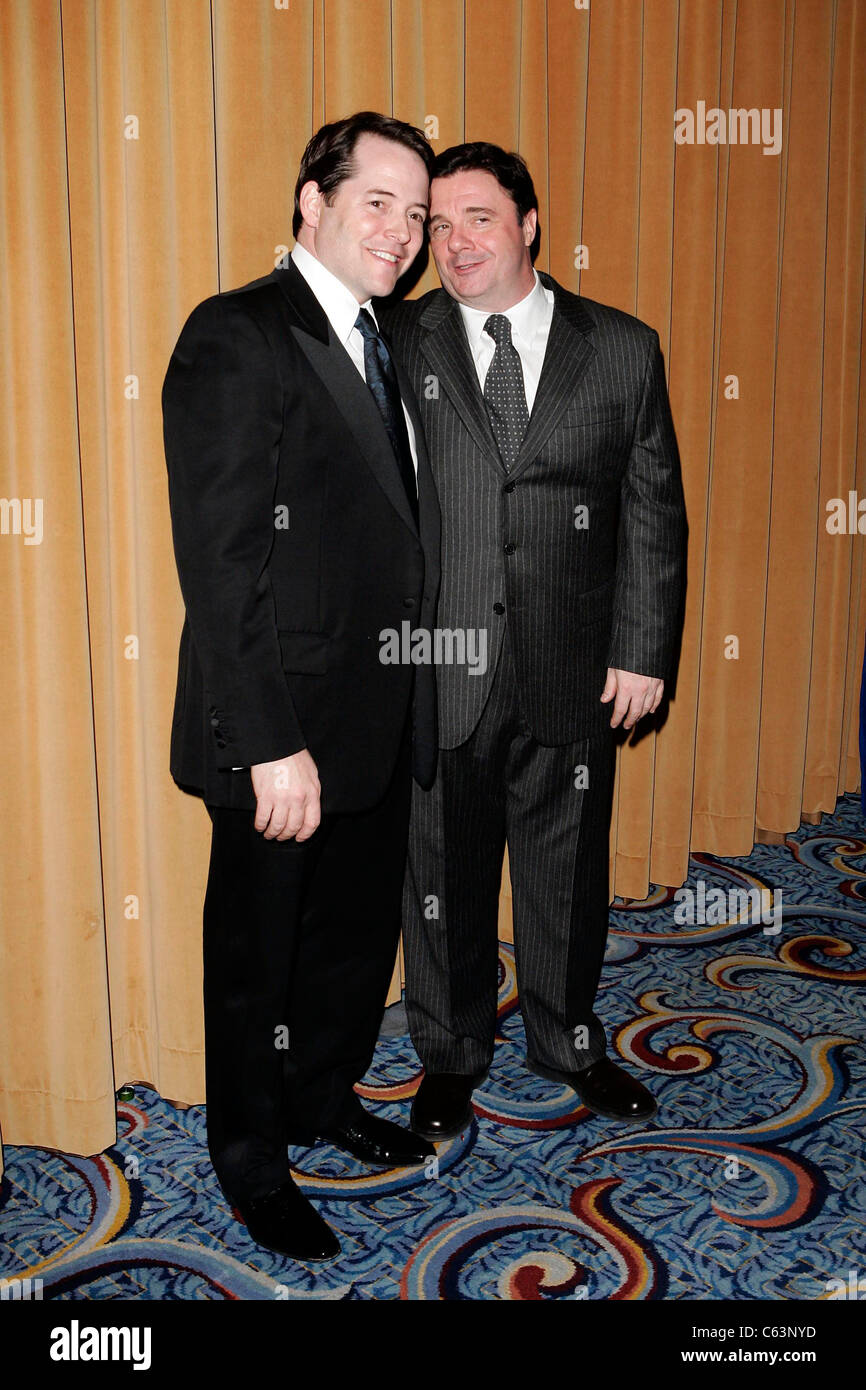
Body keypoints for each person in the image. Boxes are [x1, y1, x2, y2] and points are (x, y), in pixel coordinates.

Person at [162, 111, 440, 1261]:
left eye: (415, 212)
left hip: (380, 710)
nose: (402, 230)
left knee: (348, 937)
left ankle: (324, 1096)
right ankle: (250, 1157)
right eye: (377, 201)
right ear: (309, 202)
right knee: (257, 954)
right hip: (281, 726)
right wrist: (268, 740)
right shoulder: (239, 334)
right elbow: (220, 564)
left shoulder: (395, 343)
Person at [381, 142, 687, 1142]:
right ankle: (449, 1054)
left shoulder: (621, 349)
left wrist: (642, 650)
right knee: (440, 878)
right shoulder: (396, 342)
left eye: (474, 216)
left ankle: (567, 1040)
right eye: (435, 224)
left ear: (527, 223)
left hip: (572, 665)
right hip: (438, 668)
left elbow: (651, 511)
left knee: (564, 870)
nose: (452, 241)